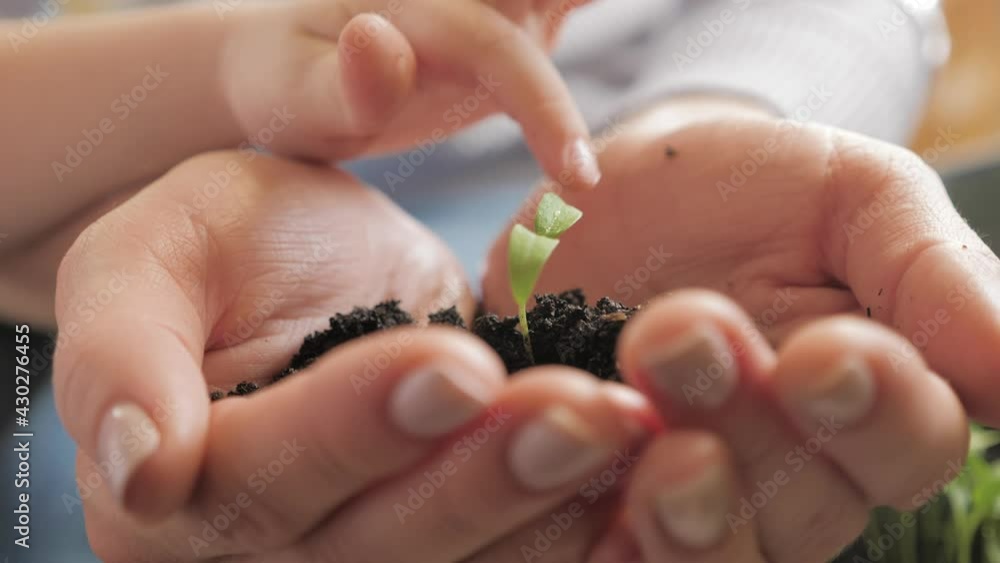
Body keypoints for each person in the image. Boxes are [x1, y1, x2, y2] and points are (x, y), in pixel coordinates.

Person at [2, 0, 990, 561]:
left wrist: (694, 125)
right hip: (197, 262)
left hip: (590, 185)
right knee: (90, 484)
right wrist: (225, 73)